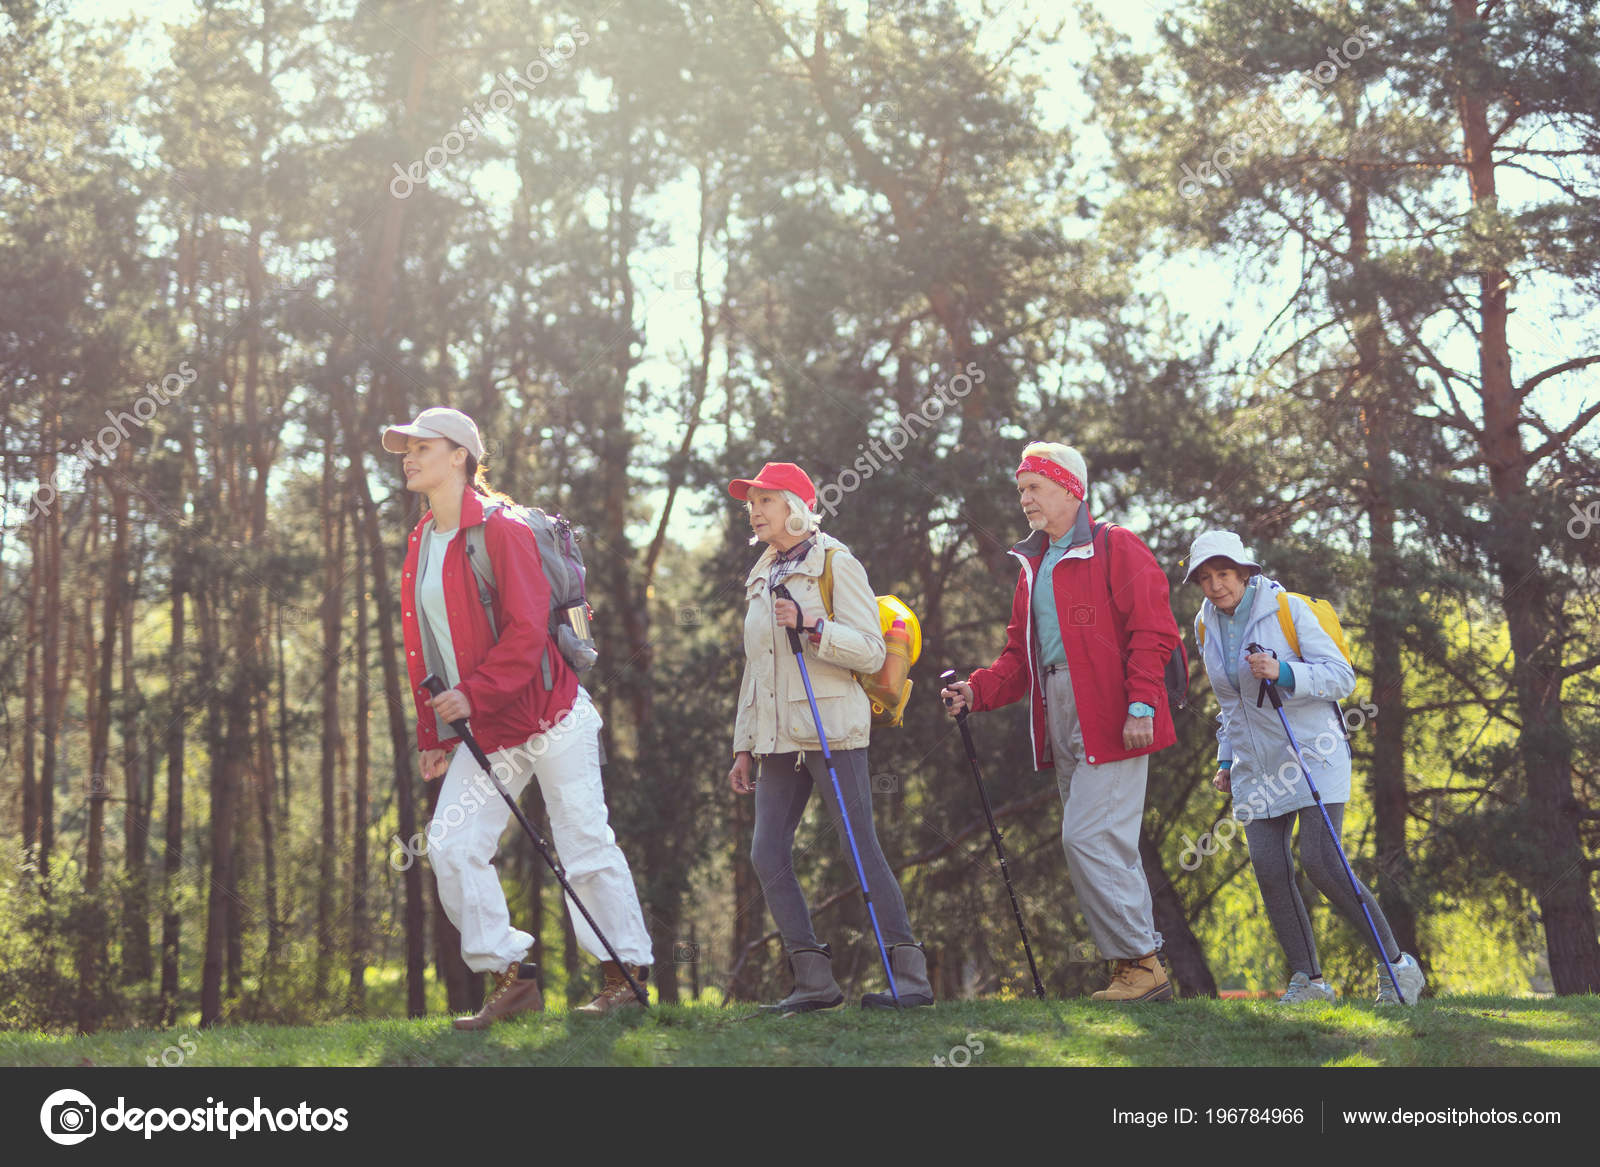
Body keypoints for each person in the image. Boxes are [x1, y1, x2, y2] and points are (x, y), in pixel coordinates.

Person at [387, 406, 654, 1026]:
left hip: (554, 716)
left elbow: (530, 630)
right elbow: (425, 644)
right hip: (487, 731)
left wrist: (473, 696)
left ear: (459, 456)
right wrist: (436, 734)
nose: (408, 455)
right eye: (405, 448)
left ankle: (625, 975)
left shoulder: (502, 529)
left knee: (584, 843)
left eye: (421, 446)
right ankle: (511, 975)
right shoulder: (424, 539)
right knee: (451, 846)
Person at [941, 441, 1180, 1002]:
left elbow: (1155, 629)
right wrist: (975, 690)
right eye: (1020, 489)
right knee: (1104, 842)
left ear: (1071, 490)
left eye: (1035, 488)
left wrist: (1142, 704)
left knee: (1086, 836)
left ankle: (1143, 965)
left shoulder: (1115, 545)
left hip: (1114, 711)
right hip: (1058, 707)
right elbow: (1020, 660)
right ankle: (1134, 970)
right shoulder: (1035, 565)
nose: (1025, 499)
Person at [1184, 529, 1426, 1005]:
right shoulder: (1205, 625)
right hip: (1255, 766)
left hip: (1311, 754)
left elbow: (1340, 677)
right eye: (1206, 578)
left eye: (1224, 574)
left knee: (1321, 863)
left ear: (1245, 572)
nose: (1216, 586)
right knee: (1270, 870)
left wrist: (1284, 673)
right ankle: (1310, 982)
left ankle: (1399, 968)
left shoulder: (1288, 609)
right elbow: (1230, 704)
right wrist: (1227, 759)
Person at [726, 461, 933, 1011]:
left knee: (857, 848)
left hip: (832, 731)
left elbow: (869, 648)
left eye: (764, 501)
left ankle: (909, 975)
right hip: (776, 742)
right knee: (767, 853)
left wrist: (812, 628)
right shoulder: (761, 572)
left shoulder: (837, 563)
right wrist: (743, 745)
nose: (754, 510)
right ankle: (814, 982)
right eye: (751, 502)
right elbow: (756, 668)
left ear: (794, 506)